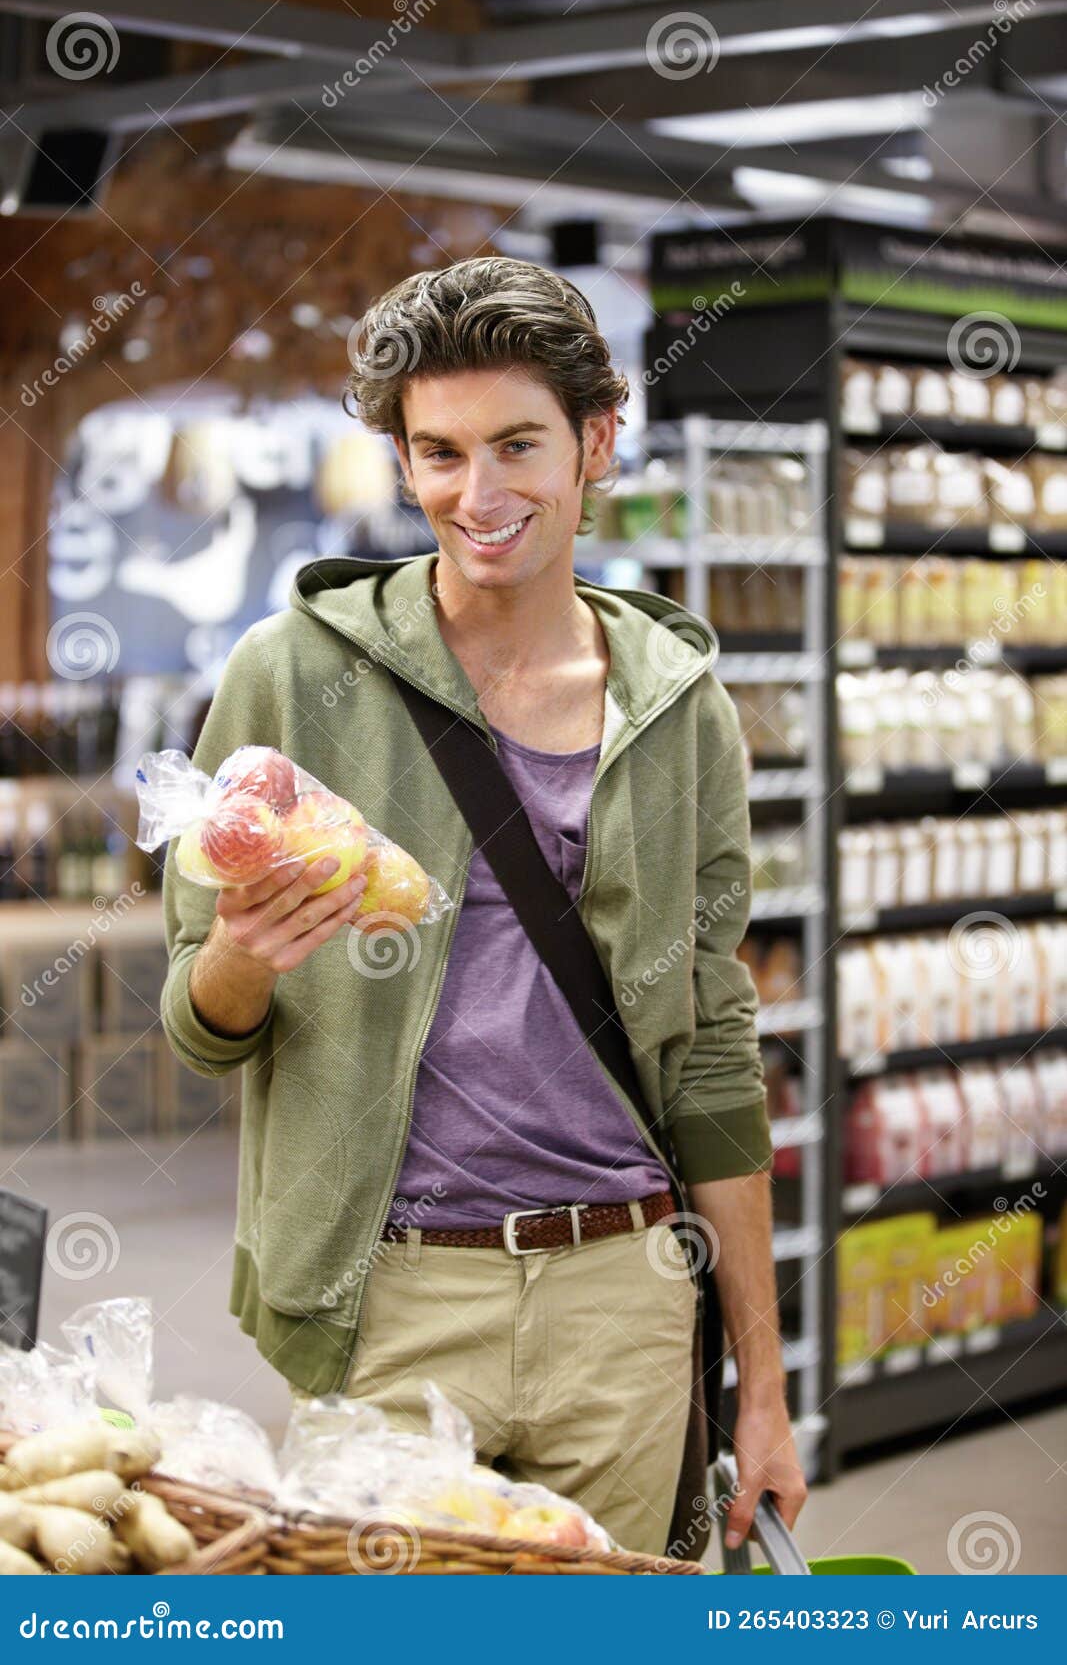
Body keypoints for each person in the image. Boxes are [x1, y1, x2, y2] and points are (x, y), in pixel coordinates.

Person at [161, 257, 807, 1558]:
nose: (481, 493)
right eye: (439, 453)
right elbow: (200, 1023)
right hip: (391, 1290)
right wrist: (241, 951)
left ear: (597, 439)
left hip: (625, 1290)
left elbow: (719, 1055)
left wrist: (768, 1390)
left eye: (518, 444)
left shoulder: (684, 710)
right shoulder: (291, 676)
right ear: (402, 463)